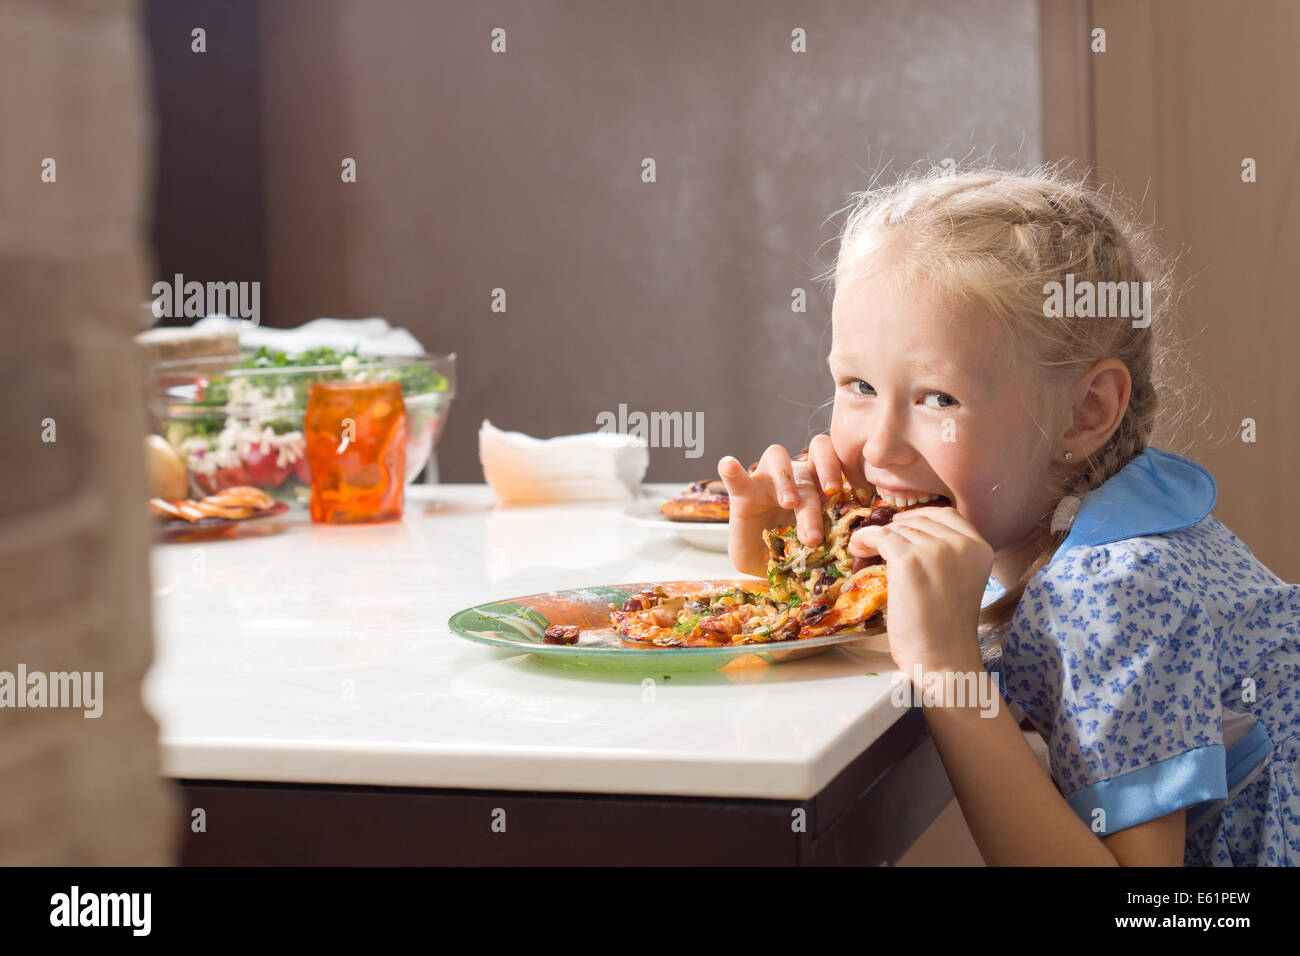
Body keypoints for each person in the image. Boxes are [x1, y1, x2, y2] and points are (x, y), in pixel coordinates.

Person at [718, 165, 1299, 866]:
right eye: (859, 385)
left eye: (939, 399)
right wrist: (795, 565)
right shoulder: (1033, 522)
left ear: (1085, 413)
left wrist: (945, 670)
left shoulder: (1115, 590)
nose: (878, 448)